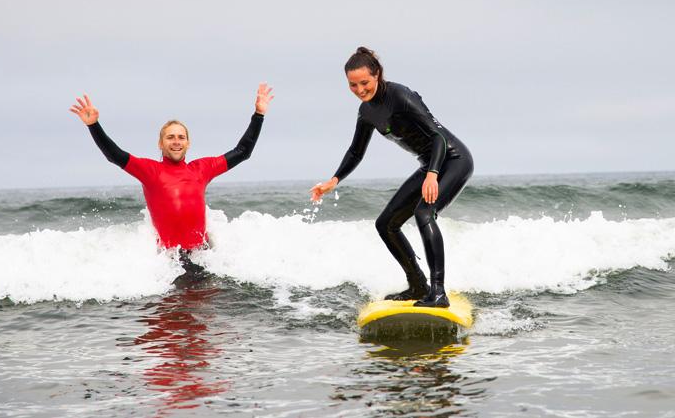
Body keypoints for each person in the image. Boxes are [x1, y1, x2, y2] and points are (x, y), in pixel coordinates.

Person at [311, 48, 473, 308]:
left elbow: (438, 136)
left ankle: (439, 293)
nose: (360, 89)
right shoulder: (366, 112)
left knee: (424, 213)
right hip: (428, 166)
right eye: (353, 85)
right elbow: (355, 151)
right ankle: (417, 285)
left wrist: (432, 174)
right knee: (385, 224)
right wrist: (335, 179)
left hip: (453, 160)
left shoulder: (401, 96)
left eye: (364, 82)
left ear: (377, 75)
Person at [69, 84, 274, 271]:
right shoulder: (149, 170)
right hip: (170, 261)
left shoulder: (202, 168)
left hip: (205, 255)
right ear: (161, 143)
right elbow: (114, 155)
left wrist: (259, 114)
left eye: (181, 137)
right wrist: (93, 125)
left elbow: (243, 151)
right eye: (170, 137)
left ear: (188, 143)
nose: (176, 141)